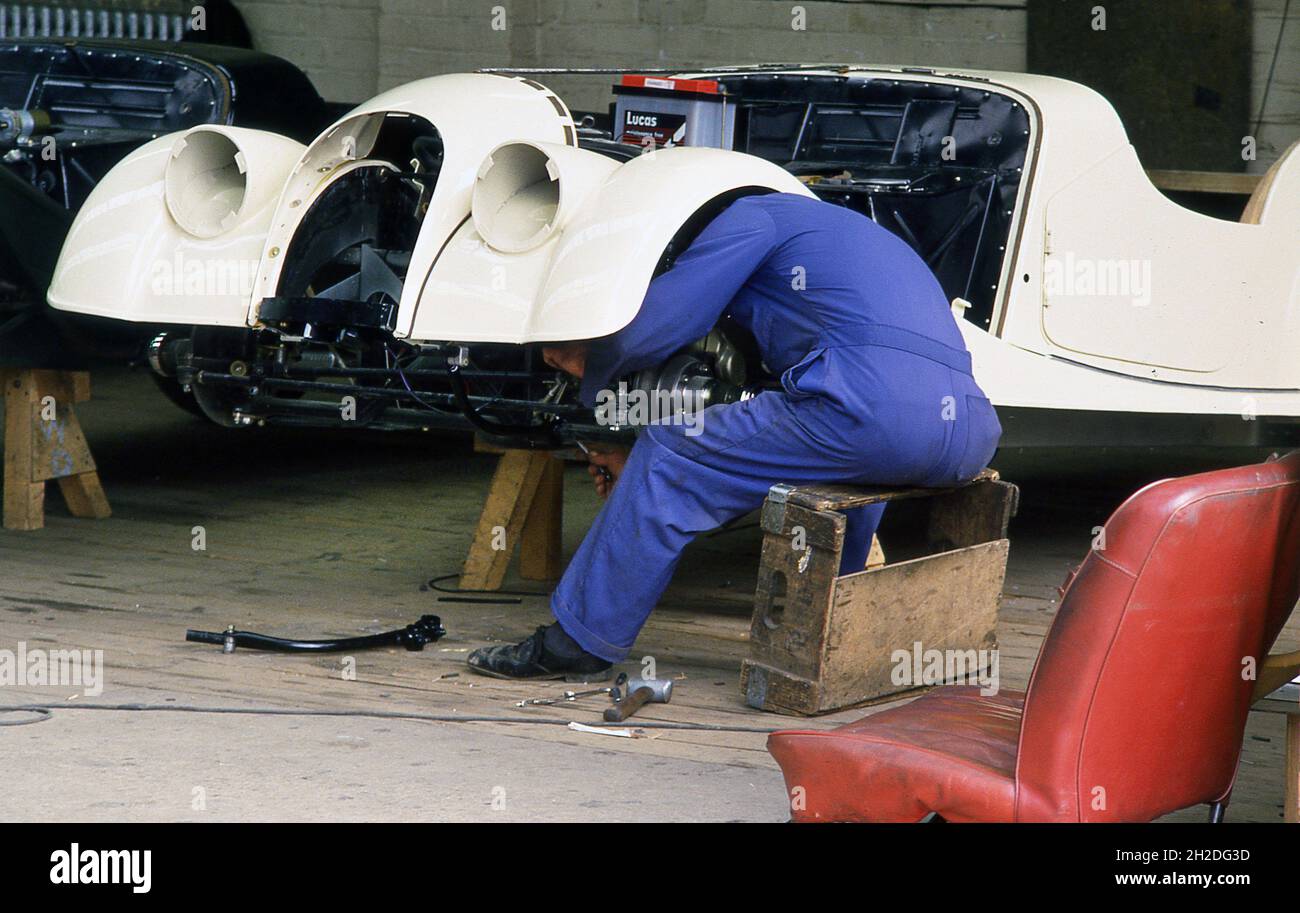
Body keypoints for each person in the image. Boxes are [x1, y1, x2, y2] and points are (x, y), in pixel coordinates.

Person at [467, 192, 1002, 680]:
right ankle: (836, 627)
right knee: (848, 464)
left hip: (871, 416)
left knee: (668, 454)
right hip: (967, 431)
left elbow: (668, 318)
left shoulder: (751, 218)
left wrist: (592, 358)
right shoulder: (859, 236)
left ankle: (576, 644)